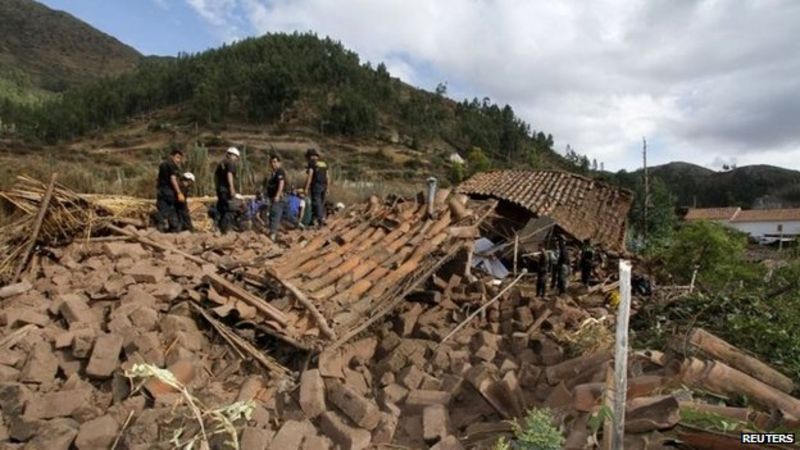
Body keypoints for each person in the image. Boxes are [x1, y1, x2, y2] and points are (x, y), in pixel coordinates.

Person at [155, 149, 185, 233]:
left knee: (162, 209)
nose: (178, 160)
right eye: (177, 158)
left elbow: (158, 179)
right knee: (172, 209)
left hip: (160, 190)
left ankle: (159, 228)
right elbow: (173, 179)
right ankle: (174, 229)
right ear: (172, 156)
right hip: (168, 190)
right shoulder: (171, 165)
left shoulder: (162, 164)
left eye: (180, 158)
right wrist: (179, 192)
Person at [214, 147, 241, 234]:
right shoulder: (230, 163)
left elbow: (216, 177)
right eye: (236, 157)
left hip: (220, 189)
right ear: (231, 155)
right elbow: (230, 175)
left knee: (220, 209)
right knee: (230, 209)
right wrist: (232, 188)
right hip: (226, 190)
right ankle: (227, 229)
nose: (236, 159)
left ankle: (217, 228)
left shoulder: (221, 163)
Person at [303, 148, 329, 227]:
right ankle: (314, 220)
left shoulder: (312, 164)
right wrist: (328, 187)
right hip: (324, 185)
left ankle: (320, 219)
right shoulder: (324, 164)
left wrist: (306, 188)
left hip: (316, 186)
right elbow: (328, 176)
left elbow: (310, 176)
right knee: (321, 203)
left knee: (316, 203)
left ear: (310, 157)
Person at [264, 155, 286, 241]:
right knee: (286, 215)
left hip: (278, 197)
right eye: (272, 162)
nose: (273, 164)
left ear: (279, 163)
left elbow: (281, 183)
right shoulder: (273, 173)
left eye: (275, 162)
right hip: (272, 197)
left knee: (274, 214)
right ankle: (299, 225)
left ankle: (272, 234)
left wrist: (277, 195)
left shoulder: (280, 171)